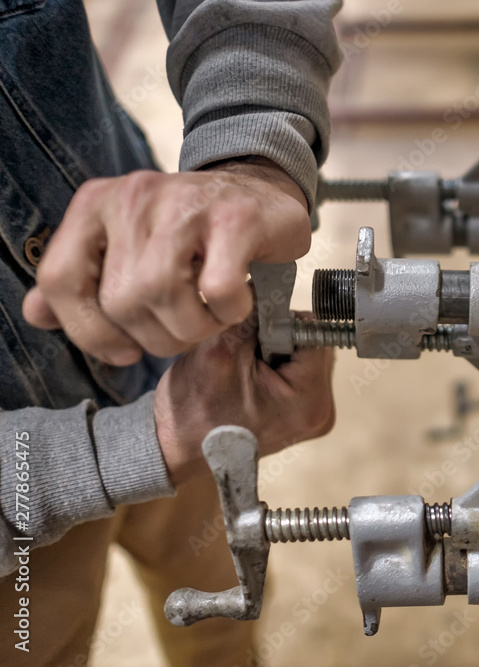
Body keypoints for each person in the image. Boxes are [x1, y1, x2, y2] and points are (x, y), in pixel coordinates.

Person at [0, 0, 343, 663]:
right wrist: (138, 446)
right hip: (19, 538)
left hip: (174, 364)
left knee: (222, 604)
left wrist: (252, 150)